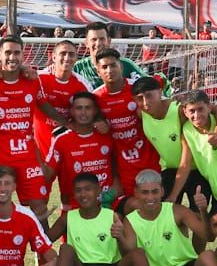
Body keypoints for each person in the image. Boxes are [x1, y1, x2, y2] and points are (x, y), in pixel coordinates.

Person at [0, 35, 69, 223]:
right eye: (8, 53)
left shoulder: (32, 81)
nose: (12, 57)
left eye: (17, 53)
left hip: (26, 157)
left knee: (39, 207)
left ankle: (41, 243)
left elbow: (44, 105)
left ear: (23, 55)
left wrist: (68, 123)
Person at [45, 173, 172, 266]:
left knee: (137, 252)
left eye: (88, 189)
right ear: (74, 193)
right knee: (65, 248)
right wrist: (41, 220)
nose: (83, 194)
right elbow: (44, 241)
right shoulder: (68, 218)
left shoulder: (113, 216)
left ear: (98, 191)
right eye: (78, 190)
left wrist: (120, 237)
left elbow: (126, 252)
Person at [122, 170, 212, 266]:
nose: (150, 197)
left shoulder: (177, 210)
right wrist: (119, 237)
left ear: (162, 191)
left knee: (208, 255)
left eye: (154, 192)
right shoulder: (130, 221)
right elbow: (129, 253)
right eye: (145, 192)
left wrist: (202, 211)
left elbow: (208, 236)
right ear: (136, 193)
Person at [93, 48, 159, 196]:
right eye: (104, 67)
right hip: (122, 164)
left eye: (113, 65)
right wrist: (98, 123)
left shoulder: (138, 89)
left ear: (121, 67)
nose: (110, 70)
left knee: (154, 202)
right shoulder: (96, 97)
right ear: (98, 72)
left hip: (150, 158)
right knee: (131, 203)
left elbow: (161, 107)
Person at [43, 92, 115, 209]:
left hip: (107, 203)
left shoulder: (106, 135)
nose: (83, 113)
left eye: (88, 108)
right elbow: (47, 174)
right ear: (72, 111)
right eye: (79, 108)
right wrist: (33, 148)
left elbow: (117, 169)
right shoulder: (61, 139)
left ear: (95, 111)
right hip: (76, 206)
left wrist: (113, 192)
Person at [33, 40, 92, 157]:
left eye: (71, 54)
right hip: (39, 148)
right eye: (63, 53)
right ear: (54, 57)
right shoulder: (38, 79)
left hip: (68, 149)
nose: (67, 58)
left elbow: (90, 115)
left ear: (76, 58)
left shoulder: (83, 85)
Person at [72, 22, 144, 89]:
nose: (98, 44)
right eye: (94, 39)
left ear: (109, 41)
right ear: (86, 43)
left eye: (102, 39)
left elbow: (146, 84)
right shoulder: (77, 68)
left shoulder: (126, 64)